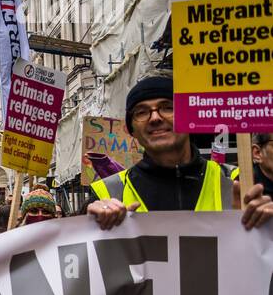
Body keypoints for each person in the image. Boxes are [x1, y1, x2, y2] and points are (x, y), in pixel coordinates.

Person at [87, 74, 272, 231]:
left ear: (189, 117)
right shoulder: (107, 192)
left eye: (168, 107)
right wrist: (90, 226)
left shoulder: (239, 182)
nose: (155, 118)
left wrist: (266, 224)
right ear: (131, 130)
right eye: (141, 112)